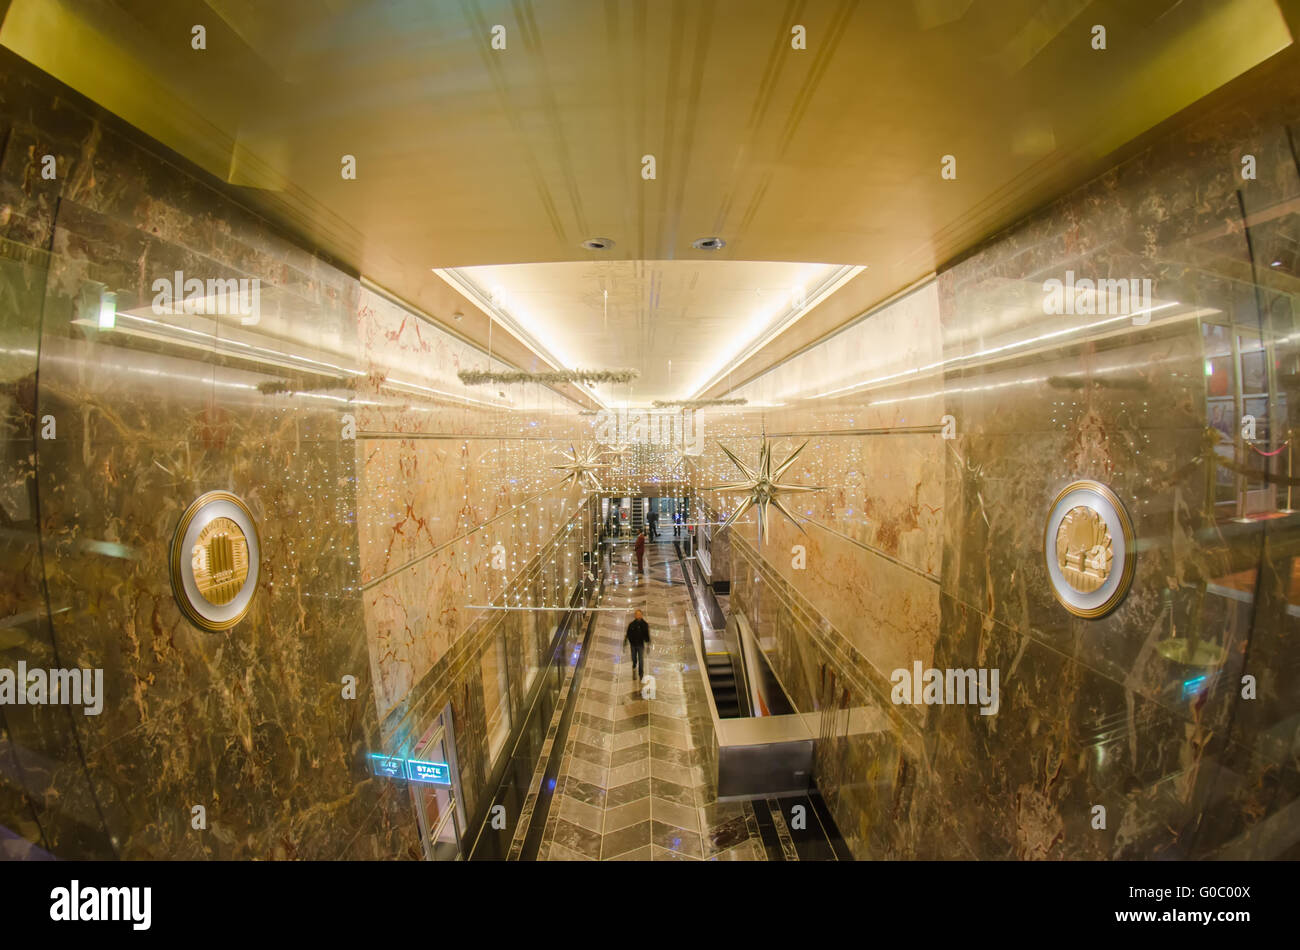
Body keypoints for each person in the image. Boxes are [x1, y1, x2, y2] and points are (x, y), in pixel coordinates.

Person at [625, 609, 651, 683]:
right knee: (634, 659)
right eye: (637, 614)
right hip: (633, 645)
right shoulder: (632, 624)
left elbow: (647, 635)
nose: (638, 616)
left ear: (641, 615)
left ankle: (641, 674)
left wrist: (648, 642)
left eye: (639, 614)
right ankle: (634, 667)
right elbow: (628, 634)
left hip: (640, 645)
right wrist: (627, 641)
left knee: (641, 660)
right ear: (635, 615)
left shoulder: (645, 624)